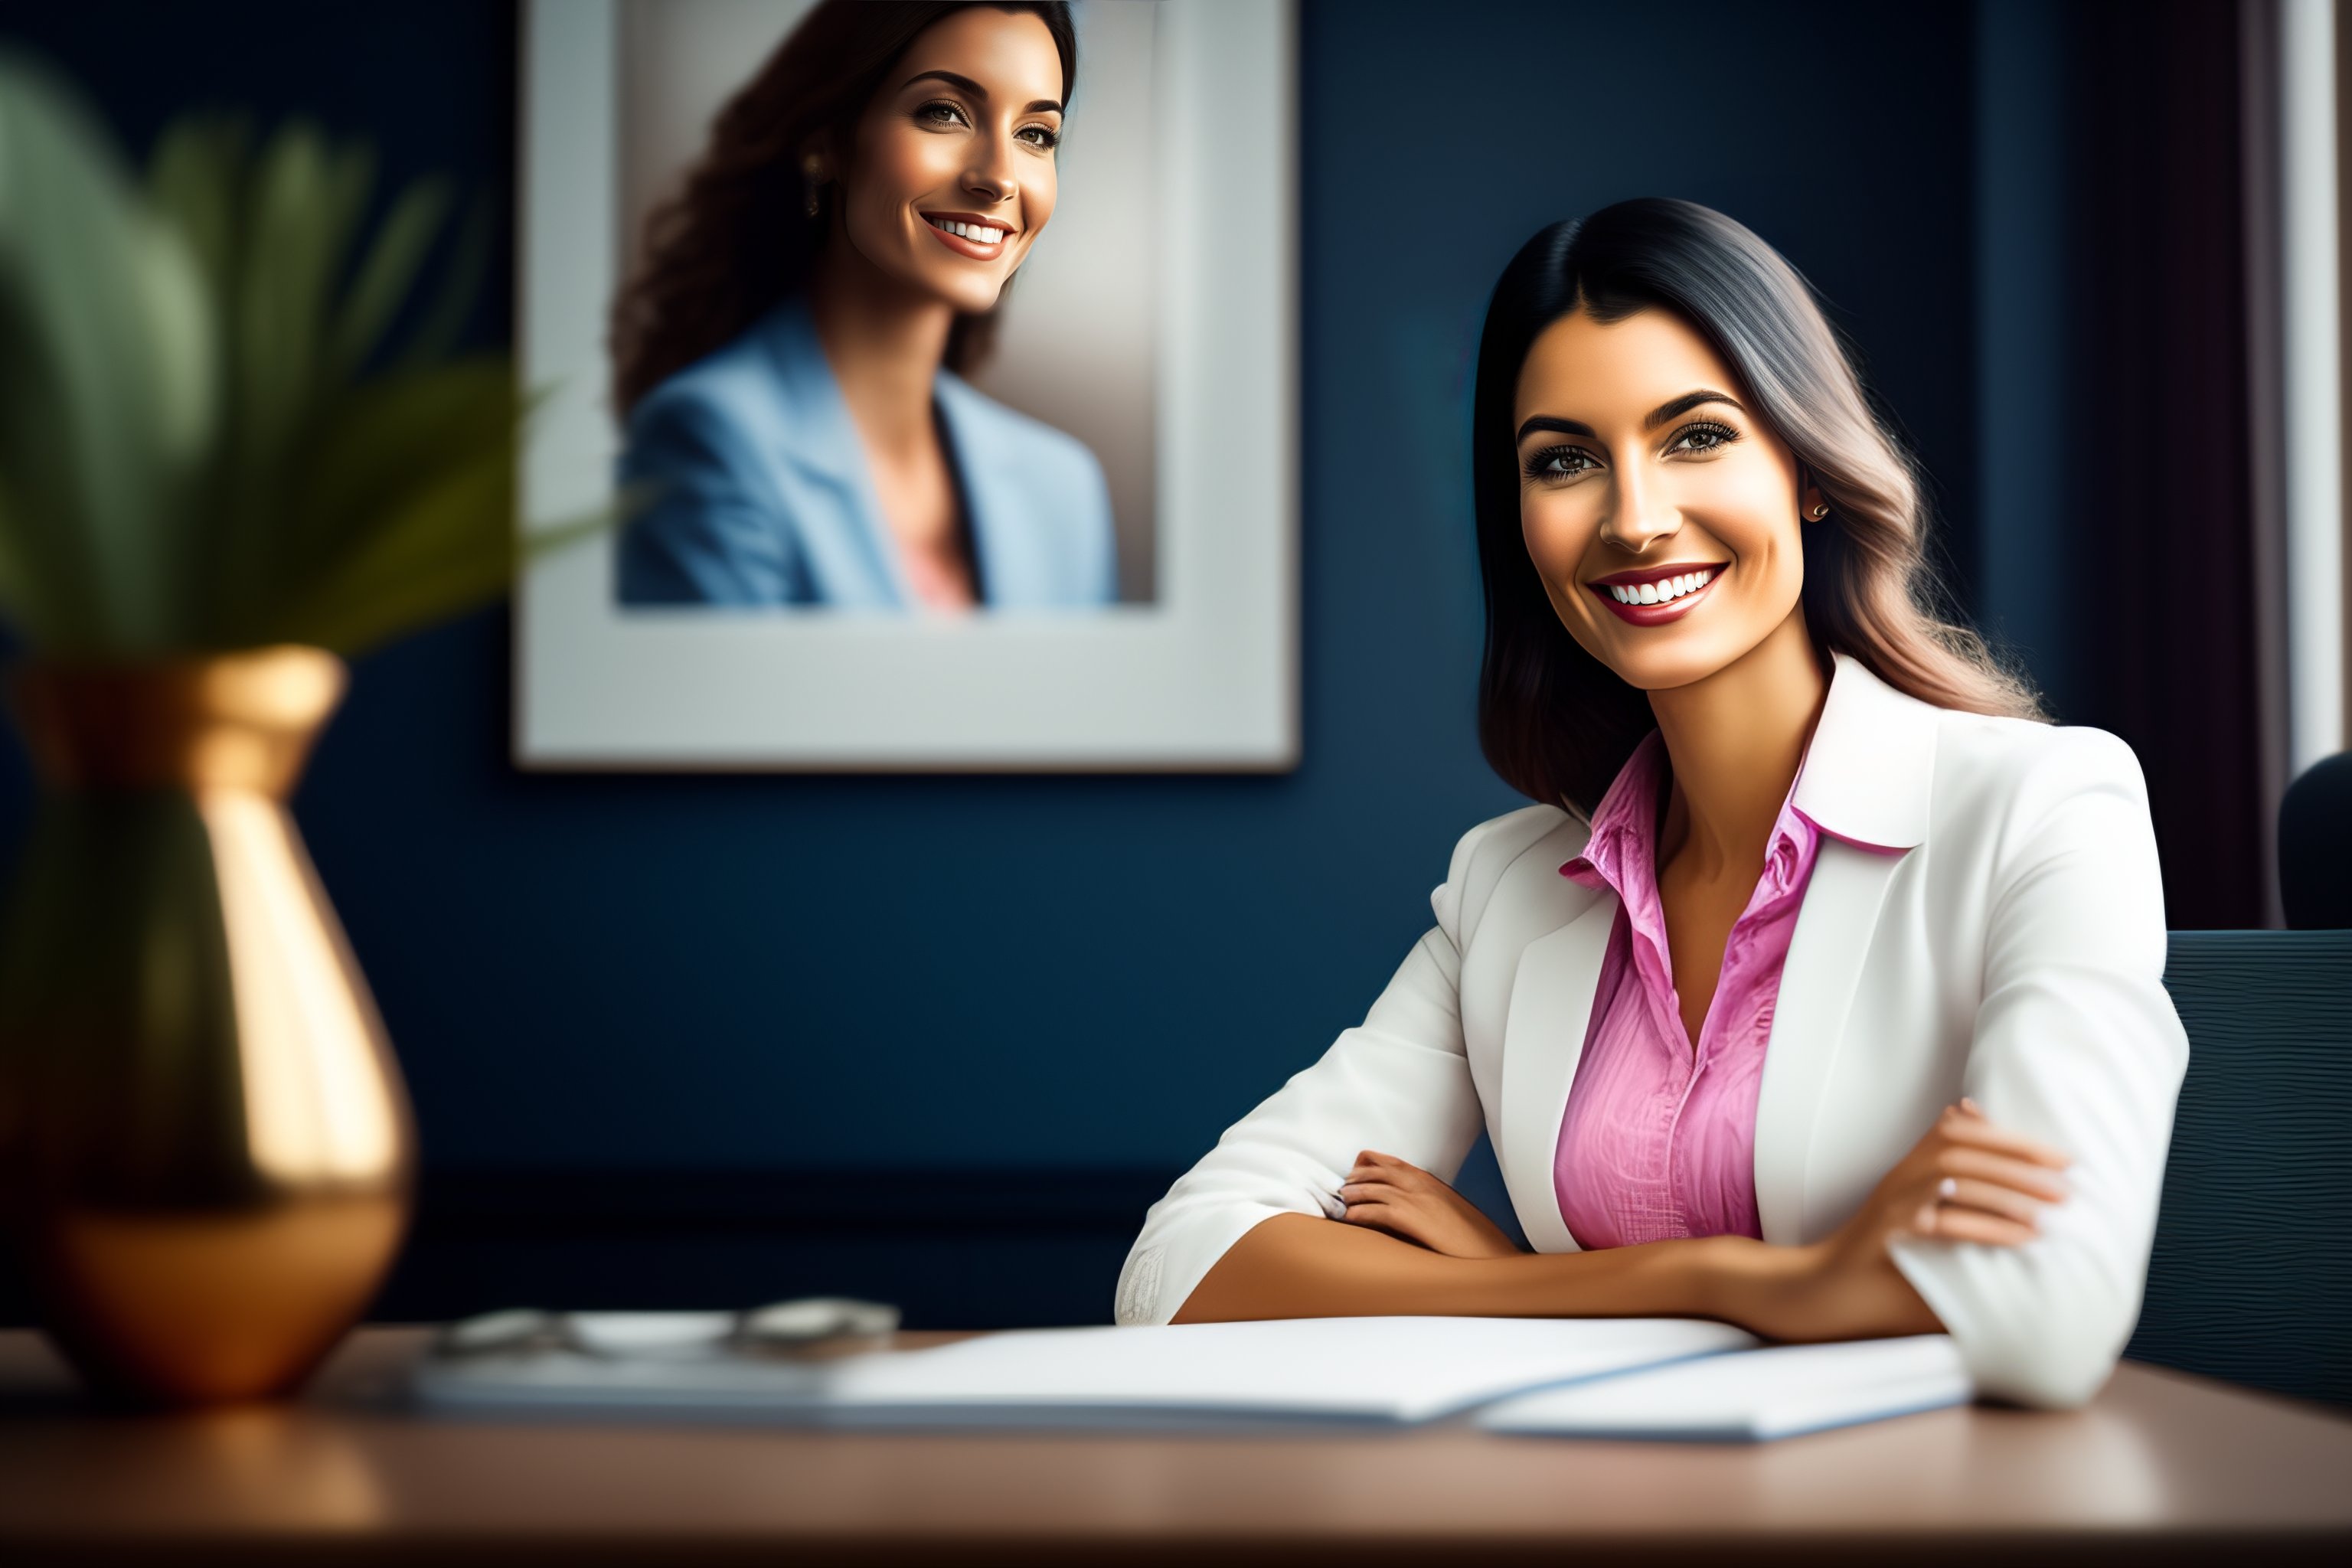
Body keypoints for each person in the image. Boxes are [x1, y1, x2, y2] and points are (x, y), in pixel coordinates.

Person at [1115, 199, 2190, 1412]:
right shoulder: (1508, 888)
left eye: (1697, 436)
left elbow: (2043, 1316)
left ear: (1810, 469)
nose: (1633, 517)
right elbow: (1183, 1261)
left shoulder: (2047, 809)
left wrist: (1529, 1281)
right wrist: (1731, 1281)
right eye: (1564, 460)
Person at [609, 0, 1115, 611]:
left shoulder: (1065, 489)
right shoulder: (708, 441)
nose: (1000, 178)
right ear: (828, 146)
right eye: (944, 113)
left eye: (1036, 134)